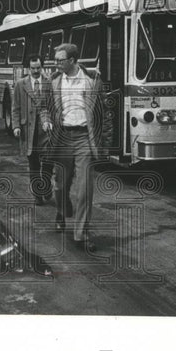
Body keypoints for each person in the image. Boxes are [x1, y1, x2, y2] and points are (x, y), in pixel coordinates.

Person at [43, 43, 112, 252]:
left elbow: (105, 114)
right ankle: (62, 211)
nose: (56, 64)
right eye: (56, 60)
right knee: (60, 186)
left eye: (60, 61)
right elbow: (44, 106)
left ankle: (81, 234)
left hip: (84, 138)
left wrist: (105, 145)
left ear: (72, 61)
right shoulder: (54, 81)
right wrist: (46, 120)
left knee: (85, 190)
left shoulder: (92, 80)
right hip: (63, 137)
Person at [12, 55, 53, 205]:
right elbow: (15, 107)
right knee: (33, 164)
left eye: (38, 68)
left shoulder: (49, 83)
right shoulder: (20, 84)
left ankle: (47, 185)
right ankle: (38, 195)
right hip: (29, 130)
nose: (36, 71)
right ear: (29, 68)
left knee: (48, 162)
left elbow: (54, 106)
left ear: (42, 67)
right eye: (33, 68)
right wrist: (16, 126)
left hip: (46, 129)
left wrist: (51, 122)